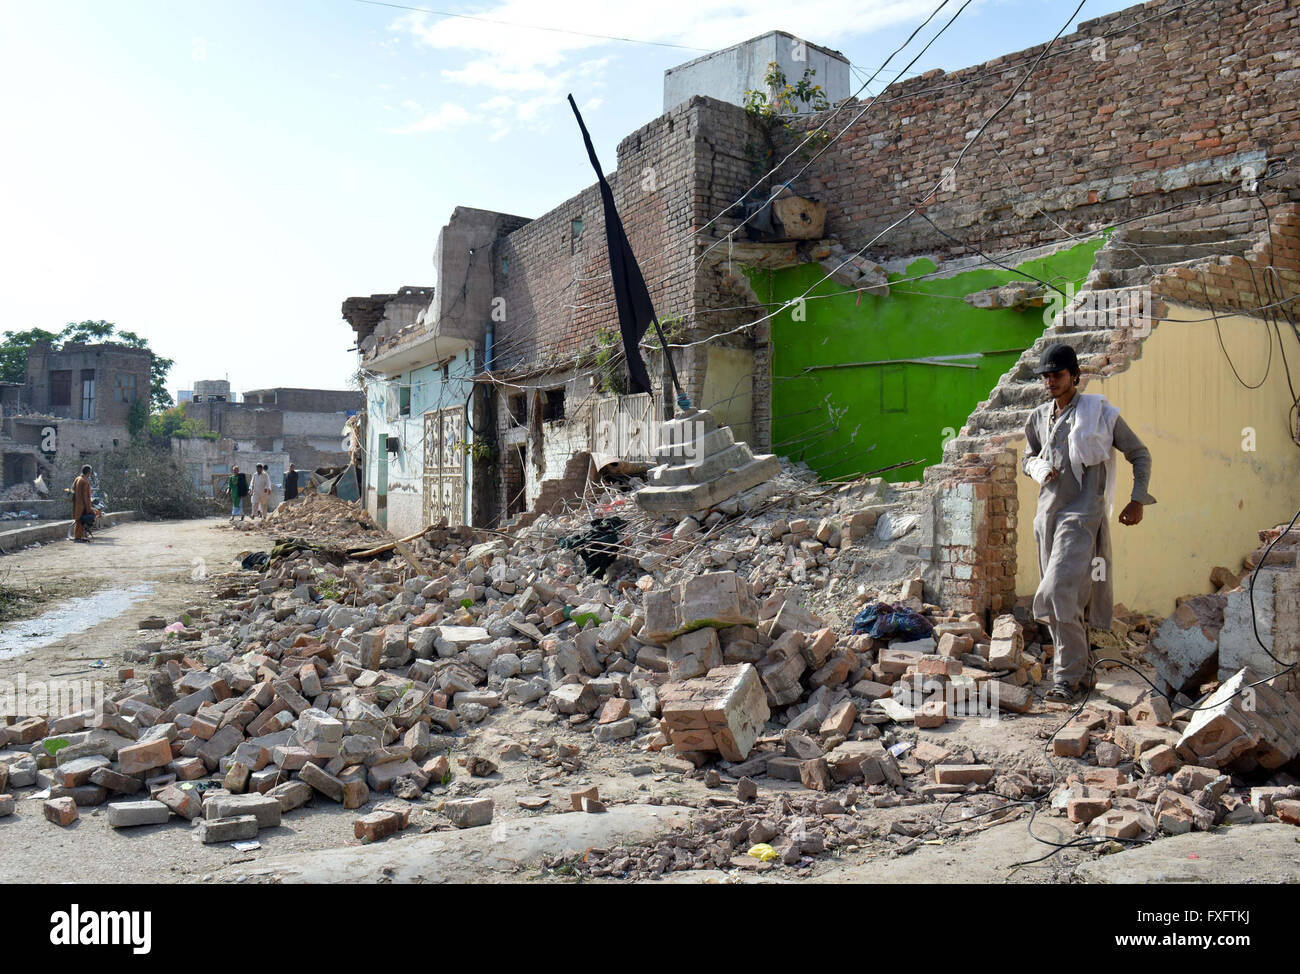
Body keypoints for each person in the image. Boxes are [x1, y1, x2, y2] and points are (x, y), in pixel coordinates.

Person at [1022, 343, 1156, 704]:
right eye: (1046, 376)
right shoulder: (1037, 417)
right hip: (1046, 518)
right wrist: (1035, 467)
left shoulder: (1099, 413)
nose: (1051, 381)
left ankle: (1064, 679)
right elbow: (1028, 456)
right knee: (1067, 599)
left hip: (1082, 517)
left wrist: (1137, 498)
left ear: (1074, 376)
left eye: (1058, 374)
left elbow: (1139, 453)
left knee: (1056, 593)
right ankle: (1080, 673)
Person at [71, 464, 100, 542]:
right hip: (82, 505)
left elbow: (73, 490)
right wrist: (88, 508)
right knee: (81, 521)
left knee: (78, 521)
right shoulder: (85, 482)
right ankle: (78, 537)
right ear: (88, 472)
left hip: (77, 503)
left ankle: (80, 536)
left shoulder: (78, 478)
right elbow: (86, 497)